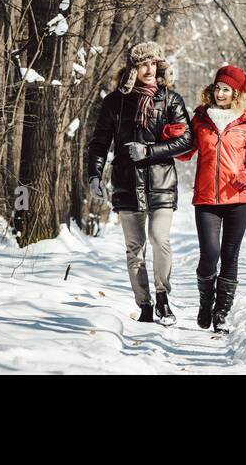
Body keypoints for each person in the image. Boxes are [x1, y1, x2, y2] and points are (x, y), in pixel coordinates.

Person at [143, 64, 246, 332]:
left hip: (239, 199)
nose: (220, 94)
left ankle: (221, 313)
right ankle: (205, 302)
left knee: (230, 256)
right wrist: (170, 134)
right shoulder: (200, 119)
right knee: (210, 254)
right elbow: (186, 152)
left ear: (237, 94)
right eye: (217, 88)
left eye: (226, 90)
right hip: (207, 199)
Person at [84, 41, 191, 324]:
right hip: (126, 182)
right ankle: (144, 304)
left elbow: (186, 140)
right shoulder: (114, 102)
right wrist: (94, 174)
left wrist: (150, 151)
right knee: (135, 248)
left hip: (161, 183)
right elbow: (99, 143)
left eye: (153, 64)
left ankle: (163, 298)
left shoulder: (170, 100)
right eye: (143, 64)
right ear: (132, 68)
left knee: (159, 238)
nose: (149, 69)